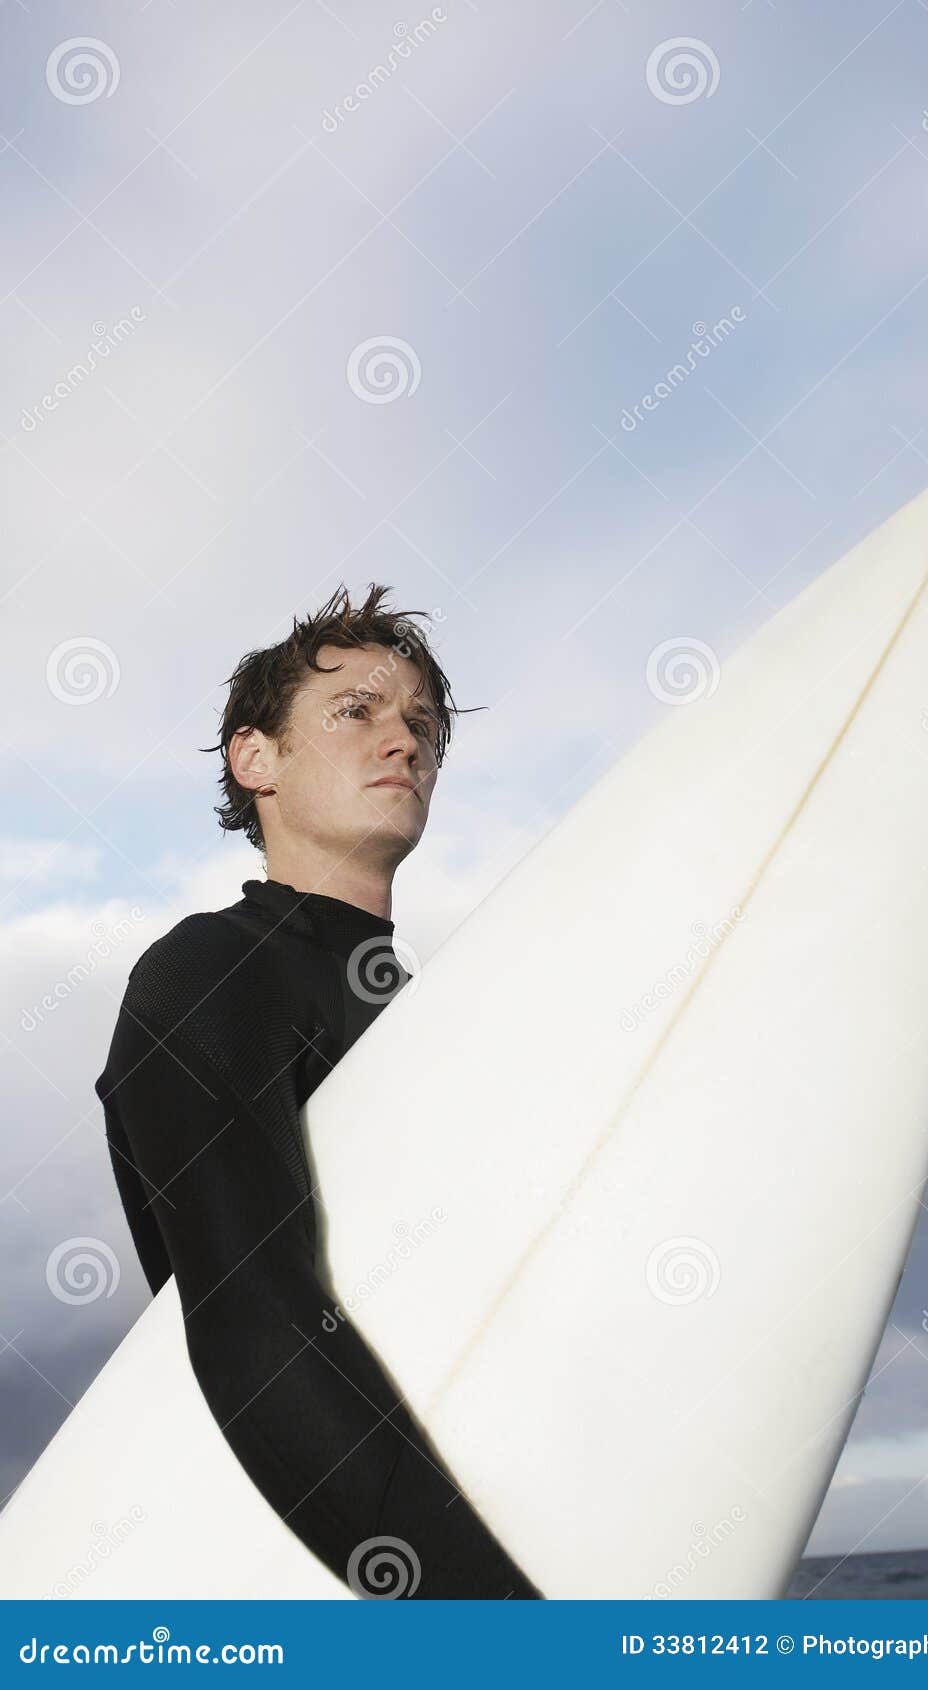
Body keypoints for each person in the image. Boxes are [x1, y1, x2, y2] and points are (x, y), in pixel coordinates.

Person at [95, 583, 541, 1600]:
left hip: (484, 1501)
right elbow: (253, 1320)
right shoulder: (209, 971)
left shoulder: (433, 1023)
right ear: (256, 759)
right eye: (357, 712)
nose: (404, 741)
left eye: (420, 724)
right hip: (337, 1573)